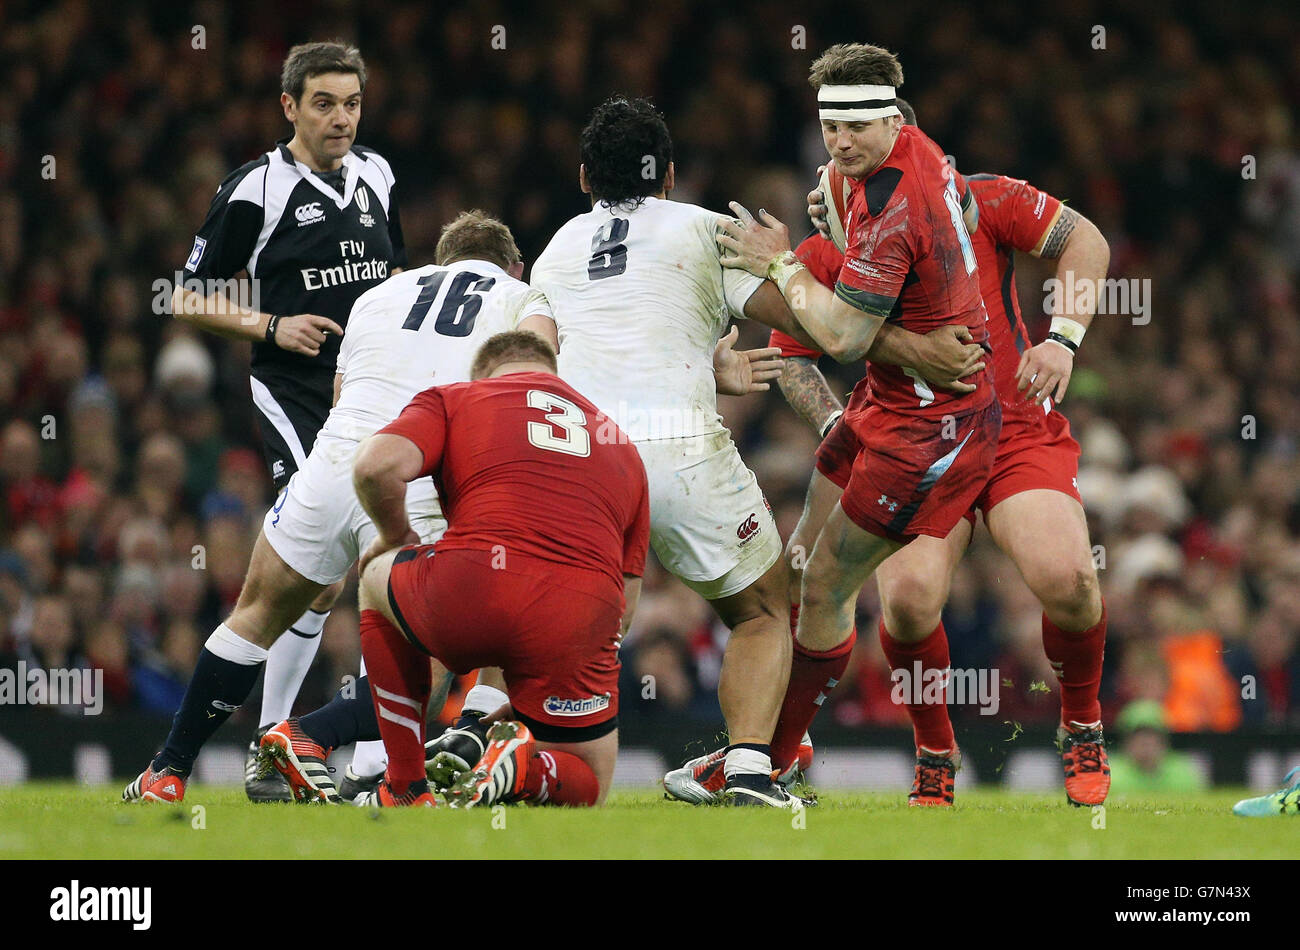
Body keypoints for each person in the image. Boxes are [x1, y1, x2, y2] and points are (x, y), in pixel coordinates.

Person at [526, 96, 974, 806]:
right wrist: (921, 349)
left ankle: (519, 756)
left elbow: (542, 360)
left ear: (585, 179)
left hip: (578, 456)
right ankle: (746, 772)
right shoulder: (709, 230)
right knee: (764, 611)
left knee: (581, 626)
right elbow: (823, 327)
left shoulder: (554, 248)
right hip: (678, 446)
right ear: (669, 175)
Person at [123, 211, 551, 804]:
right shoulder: (524, 296)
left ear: (441, 262)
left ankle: (167, 771)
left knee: (254, 615)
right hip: (422, 473)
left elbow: (342, 394)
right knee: (425, 668)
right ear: (513, 266)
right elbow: (530, 390)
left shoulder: (378, 295)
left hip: (336, 461)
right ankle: (308, 738)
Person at [714, 43, 1001, 805]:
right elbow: (829, 345)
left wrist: (784, 265)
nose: (838, 144)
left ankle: (766, 763)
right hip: (882, 406)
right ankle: (772, 749)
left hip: (930, 429)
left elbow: (837, 338)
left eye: (854, 127)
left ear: (892, 118)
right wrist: (842, 250)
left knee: (830, 587)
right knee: (804, 571)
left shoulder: (896, 204)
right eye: (828, 126)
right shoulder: (896, 167)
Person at [170, 41, 407, 801]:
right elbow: (185, 295)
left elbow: (393, 275)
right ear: (289, 107)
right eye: (324, 103)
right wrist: (272, 326)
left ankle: (334, 751)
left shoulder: (378, 173)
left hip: (373, 391)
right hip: (298, 395)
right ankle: (287, 747)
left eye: (352, 103)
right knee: (325, 567)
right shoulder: (256, 190)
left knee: (364, 564)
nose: (341, 119)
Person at [347, 331, 649, 807]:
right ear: (553, 375)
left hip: (471, 585)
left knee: (373, 578)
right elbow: (626, 607)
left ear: (483, 372)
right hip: (581, 616)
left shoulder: (457, 397)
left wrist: (392, 535)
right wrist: (543, 680)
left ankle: (404, 786)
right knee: (588, 781)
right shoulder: (624, 445)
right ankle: (528, 767)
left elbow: (374, 466)